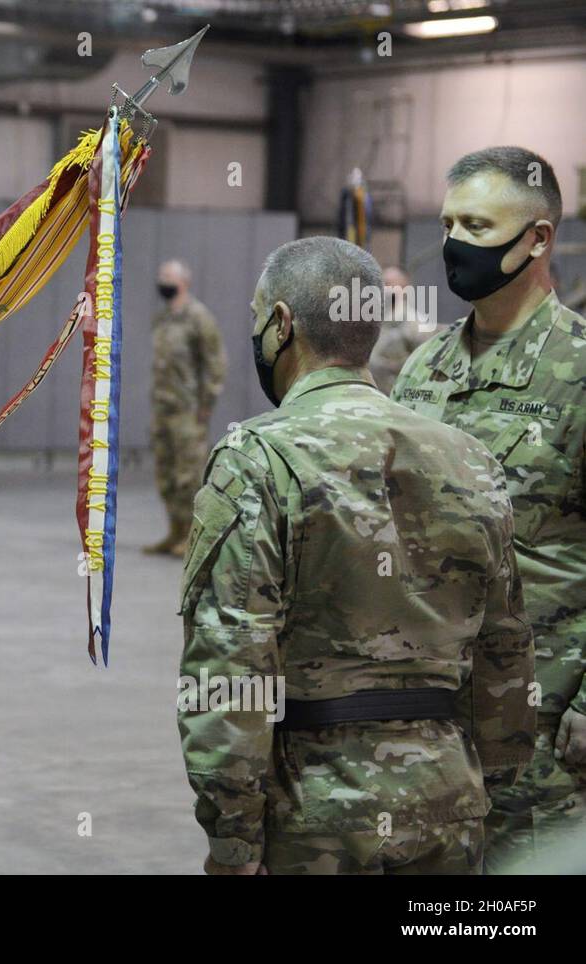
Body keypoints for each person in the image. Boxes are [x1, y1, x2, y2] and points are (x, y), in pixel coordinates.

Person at [179, 236, 535, 875]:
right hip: (449, 803)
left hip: (316, 815)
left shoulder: (256, 459)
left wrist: (231, 841)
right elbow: (505, 647)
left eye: (259, 317)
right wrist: (492, 794)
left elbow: (231, 666)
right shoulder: (470, 458)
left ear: (281, 325)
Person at [392, 146, 586, 873]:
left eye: (477, 224)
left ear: (537, 238)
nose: (454, 244)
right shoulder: (423, 369)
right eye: (448, 223)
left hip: (541, 722)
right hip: (426, 717)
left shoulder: (578, 370)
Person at [146, 258, 225, 556]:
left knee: (188, 477)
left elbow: (215, 363)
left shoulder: (198, 318)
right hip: (162, 407)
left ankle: (191, 538)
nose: (163, 281)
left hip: (188, 410)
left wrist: (206, 404)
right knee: (165, 474)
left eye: (168, 276)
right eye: (161, 275)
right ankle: (174, 532)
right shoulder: (163, 318)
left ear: (184, 282)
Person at [366, 265, 432, 395]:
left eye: (389, 284)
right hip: (369, 398)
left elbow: (426, 369)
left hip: (397, 400)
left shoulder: (418, 324)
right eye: (381, 284)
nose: (383, 289)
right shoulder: (371, 320)